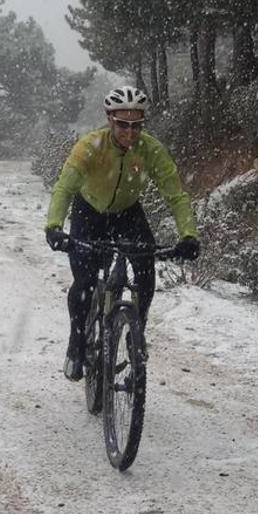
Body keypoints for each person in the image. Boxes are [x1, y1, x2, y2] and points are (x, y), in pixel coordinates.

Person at [44, 85, 200, 381]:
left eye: (136, 125)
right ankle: (77, 343)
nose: (130, 131)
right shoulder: (90, 147)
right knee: (86, 282)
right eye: (123, 124)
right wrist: (54, 227)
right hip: (88, 211)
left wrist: (189, 235)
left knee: (145, 266)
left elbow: (176, 196)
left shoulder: (151, 150)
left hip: (127, 212)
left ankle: (136, 332)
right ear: (109, 120)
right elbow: (64, 188)